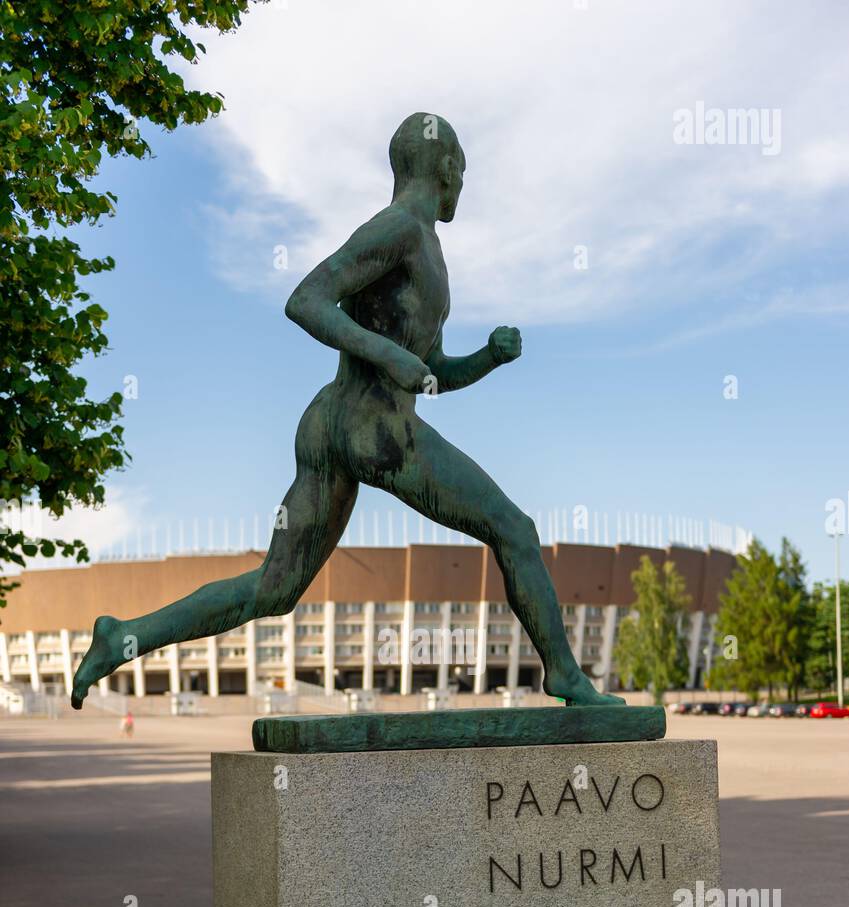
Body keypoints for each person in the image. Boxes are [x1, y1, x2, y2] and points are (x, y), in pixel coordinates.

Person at [72, 113, 621, 711]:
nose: (464, 183)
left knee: (273, 589)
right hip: (376, 430)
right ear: (445, 166)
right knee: (515, 531)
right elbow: (305, 300)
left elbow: (430, 374)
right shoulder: (400, 228)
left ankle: (122, 637)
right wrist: (388, 356)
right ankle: (564, 675)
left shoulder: (426, 251)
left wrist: (487, 358)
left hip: (331, 425)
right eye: (462, 169)